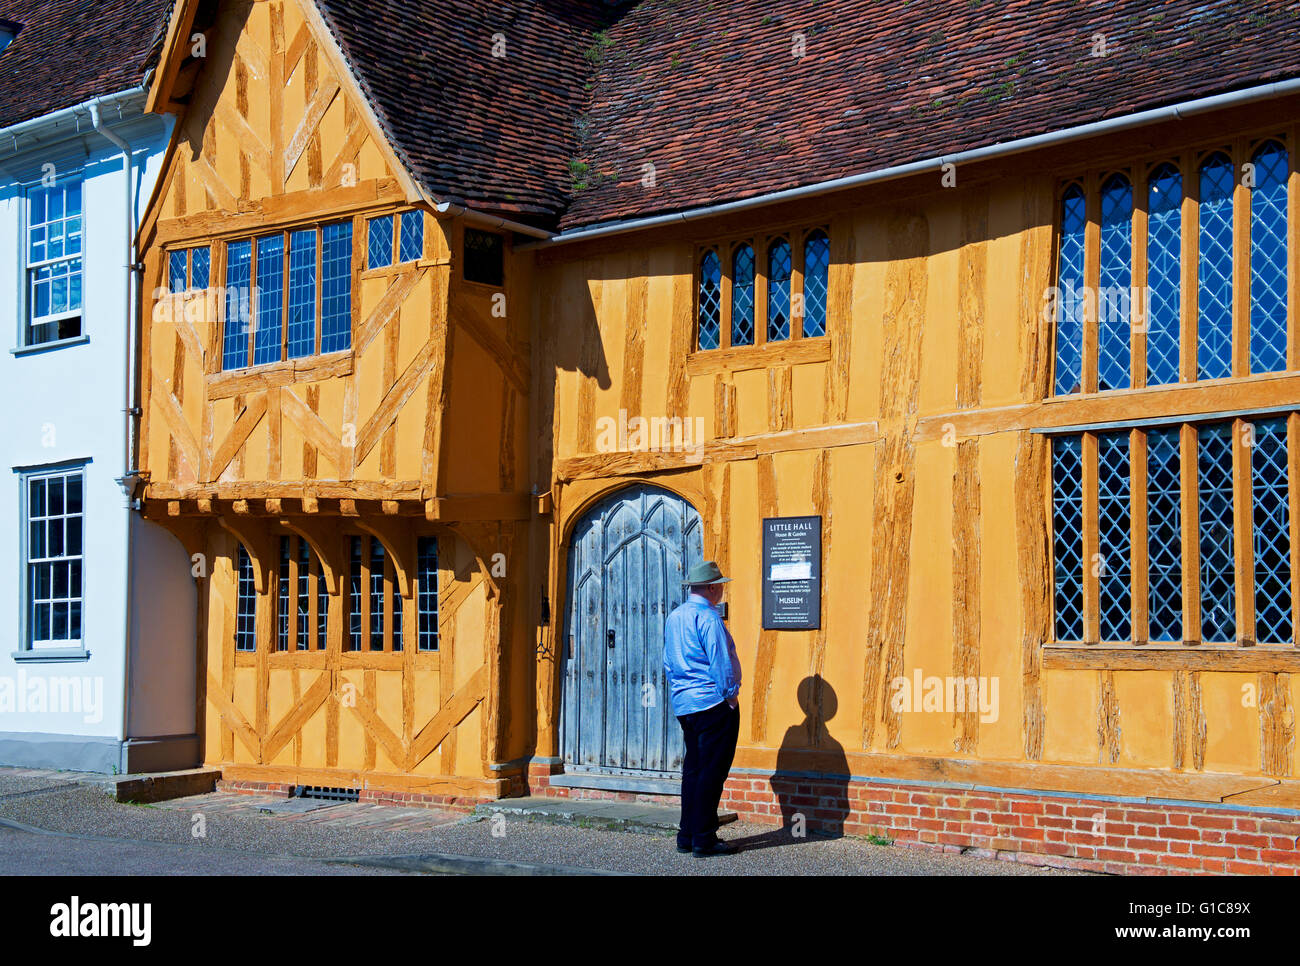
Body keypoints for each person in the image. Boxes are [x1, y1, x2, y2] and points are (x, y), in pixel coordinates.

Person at [663, 560, 742, 857]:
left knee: (694, 769)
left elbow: (668, 662)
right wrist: (730, 697)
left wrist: (679, 693)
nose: (722, 590)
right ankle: (704, 839)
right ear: (711, 587)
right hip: (712, 702)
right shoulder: (709, 618)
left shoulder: (675, 617)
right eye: (720, 585)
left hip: (686, 703)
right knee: (712, 771)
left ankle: (687, 834)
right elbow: (720, 662)